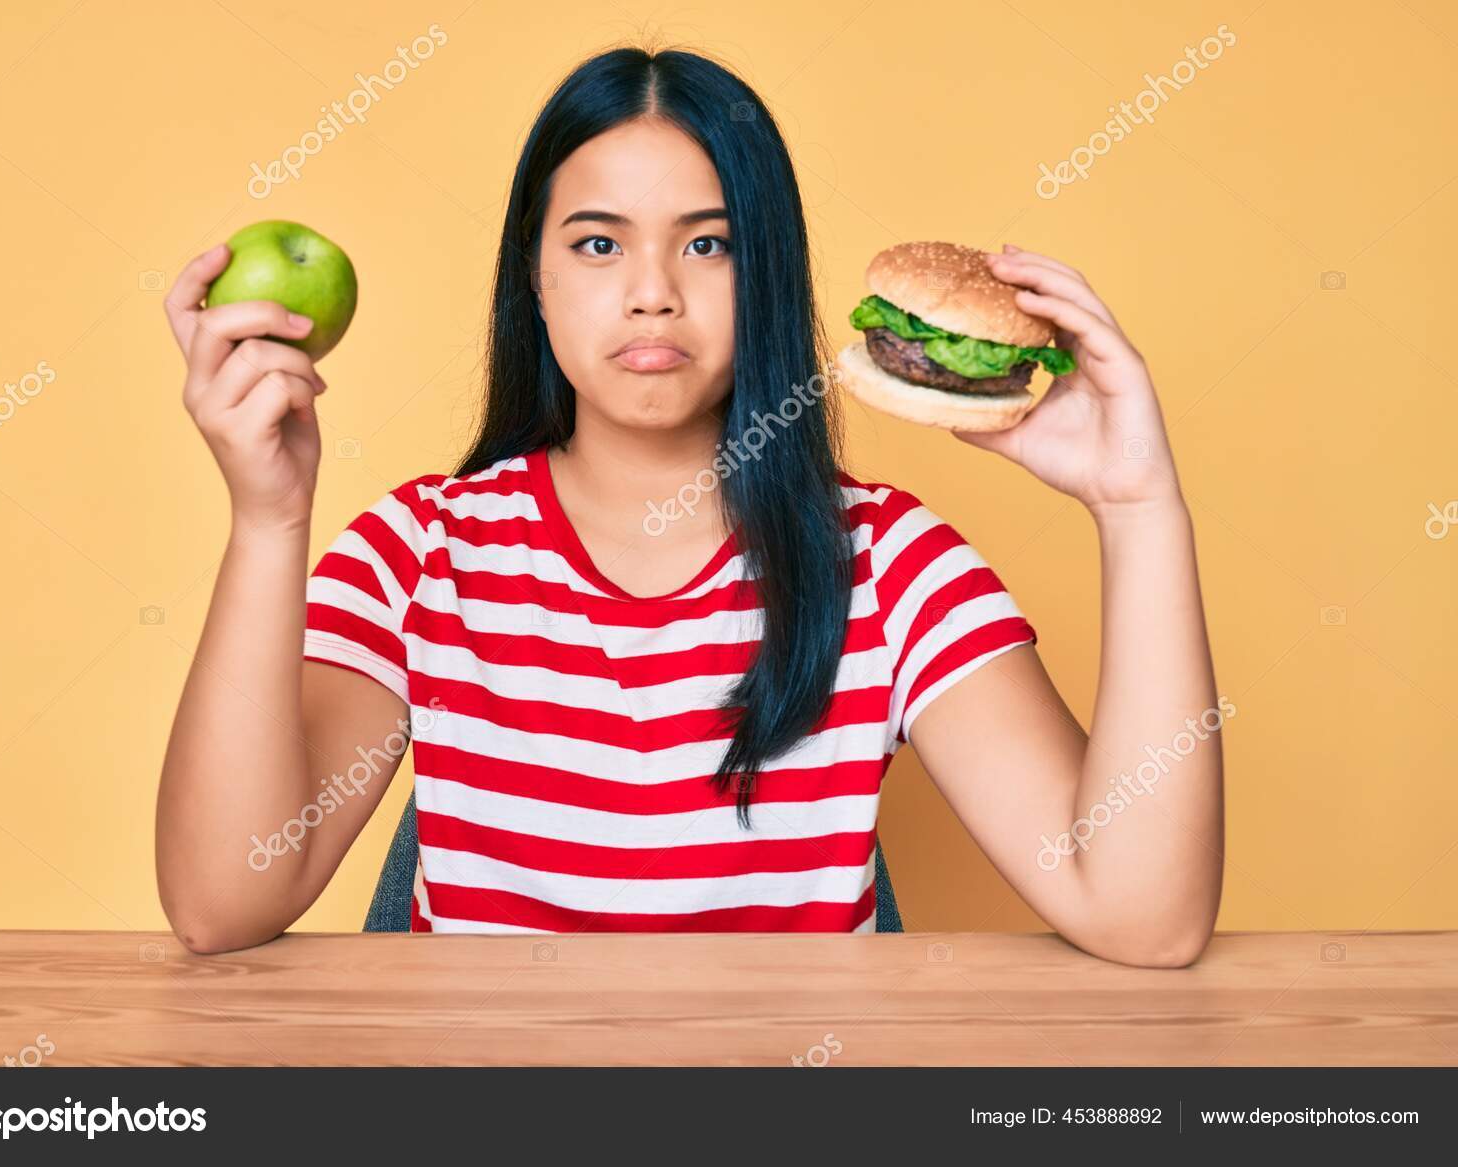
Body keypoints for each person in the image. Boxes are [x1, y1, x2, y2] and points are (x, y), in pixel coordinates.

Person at [155, 46, 1222, 963]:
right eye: (597, 242)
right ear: (534, 277)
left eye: (707, 243)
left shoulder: (890, 566)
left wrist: (1138, 508)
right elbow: (221, 901)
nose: (652, 289)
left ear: (769, 274)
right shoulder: (420, 552)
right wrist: (269, 520)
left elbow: (1142, 919)